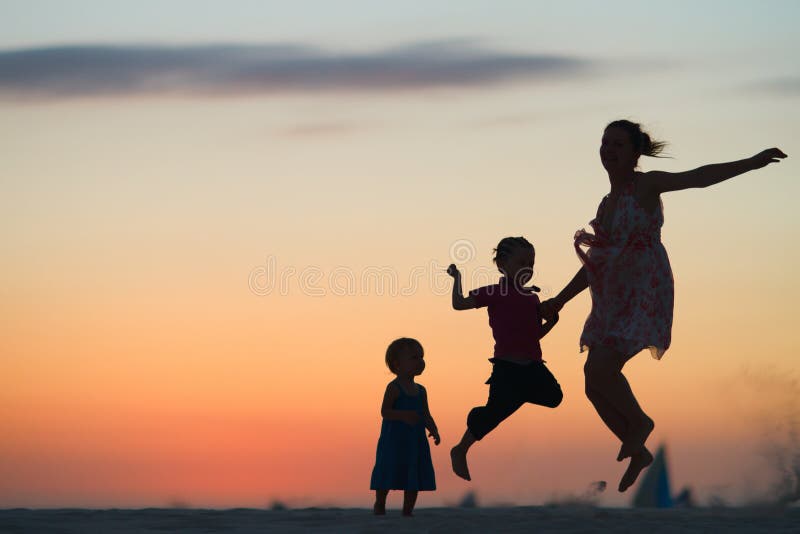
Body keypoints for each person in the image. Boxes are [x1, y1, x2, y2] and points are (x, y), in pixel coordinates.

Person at [539, 119, 787, 492]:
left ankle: (639, 426)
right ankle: (639, 449)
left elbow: (698, 177)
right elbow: (595, 264)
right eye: (605, 143)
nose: (609, 150)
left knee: (604, 369)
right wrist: (559, 299)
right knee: (593, 382)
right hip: (611, 296)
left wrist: (750, 163)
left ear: (635, 152)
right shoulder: (606, 205)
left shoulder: (646, 184)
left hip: (643, 289)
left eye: (618, 144)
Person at [447, 236, 563, 481]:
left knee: (554, 397)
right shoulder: (495, 292)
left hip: (533, 366)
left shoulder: (532, 298)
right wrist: (457, 279)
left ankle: (506, 402)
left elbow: (534, 336)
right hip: (507, 367)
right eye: (522, 262)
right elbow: (459, 304)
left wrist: (552, 322)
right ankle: (460, 449)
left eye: (531, 263)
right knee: (495, 415)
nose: (528, 268)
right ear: (501, 264)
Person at [370, 337, 440, 516]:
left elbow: (425, 413)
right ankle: (380, 504)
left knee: (412, 475)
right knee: (388, 471)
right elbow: (385, 411)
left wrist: (433, 429)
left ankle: (407, 510)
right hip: (394, 441)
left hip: (415, 442)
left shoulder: (421, 390)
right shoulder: (394, 388)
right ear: (397, 364)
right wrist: (403, 416)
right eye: (414, 358)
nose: (420, 362)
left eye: (421, 357)